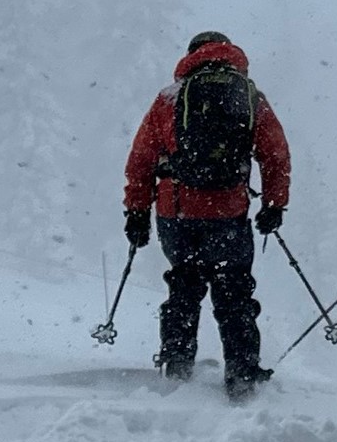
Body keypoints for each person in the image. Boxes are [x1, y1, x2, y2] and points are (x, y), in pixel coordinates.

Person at [123, 32, 290, 400]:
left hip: (177, 213)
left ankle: (177, 366)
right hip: (227, 213)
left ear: (192, 55)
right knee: (234, 293)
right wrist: (274, 206)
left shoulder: (169, 98)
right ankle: (243, 374)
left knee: (183, 287)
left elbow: (141, 160)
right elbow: (275, 155)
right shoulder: (249, 97)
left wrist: (137, 211)